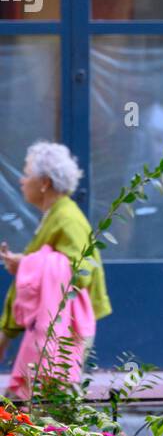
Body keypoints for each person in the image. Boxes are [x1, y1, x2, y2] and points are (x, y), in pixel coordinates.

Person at [0, 141, 111, 394]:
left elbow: (80, 273)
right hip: (54, 327)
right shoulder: (56, 215)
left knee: (46, 409)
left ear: (44, 183)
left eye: (26, 174)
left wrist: (27, 264)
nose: (21, 180)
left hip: (64, 332)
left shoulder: (68, 218)